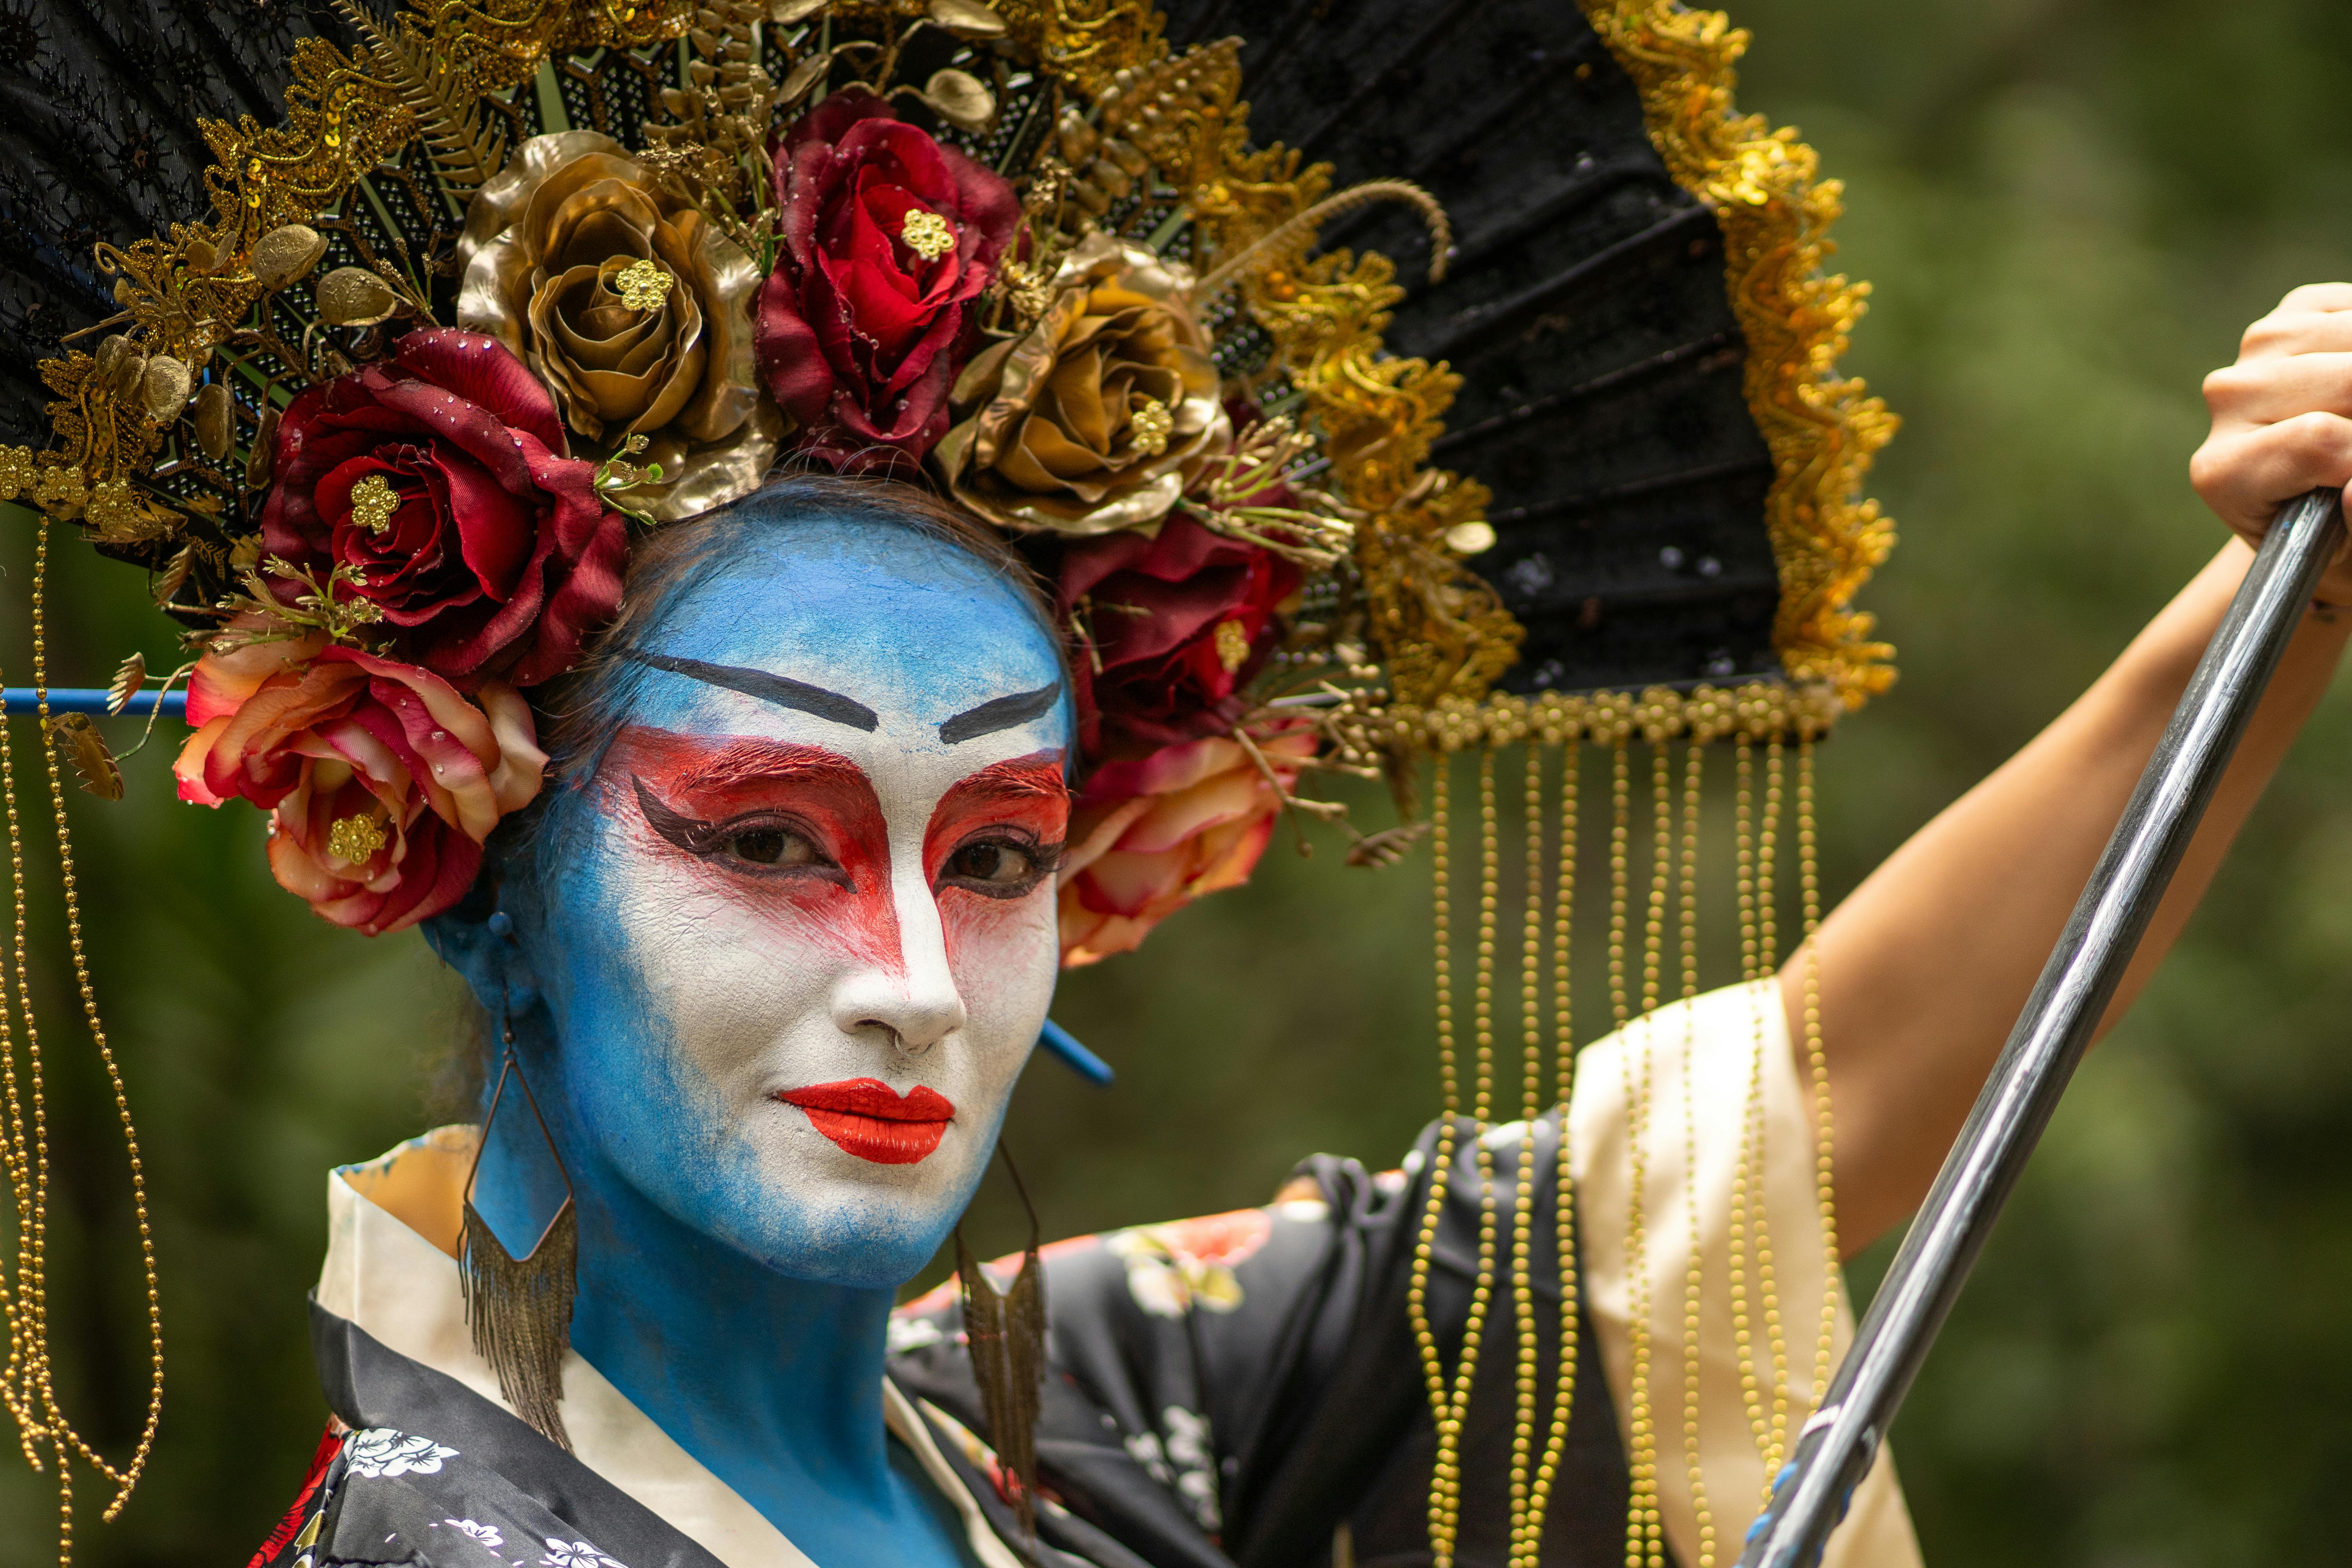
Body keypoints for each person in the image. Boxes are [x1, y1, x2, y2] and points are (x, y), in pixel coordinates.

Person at [243, 286, 2352, 1568]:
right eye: (770, 842)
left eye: (997, 858)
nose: (905, 982)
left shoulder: (1059, 1431)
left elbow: (1770, 1135)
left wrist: (2297, 585)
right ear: (488, 887)